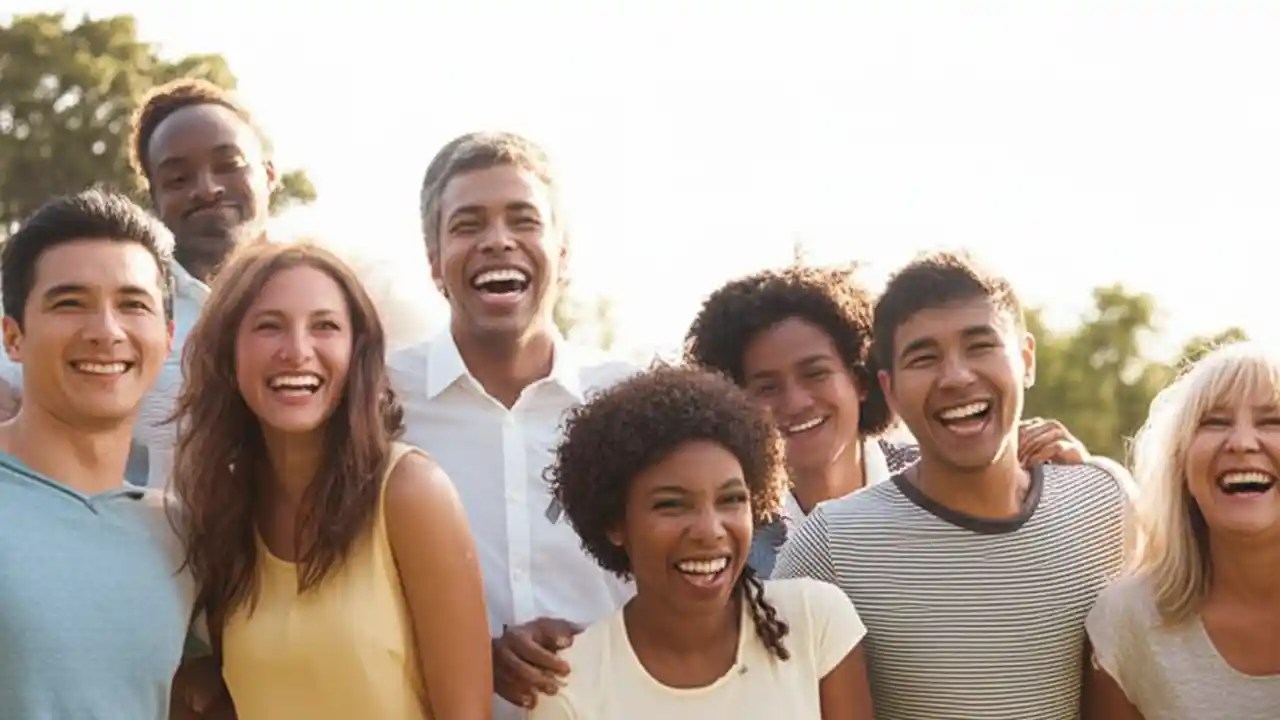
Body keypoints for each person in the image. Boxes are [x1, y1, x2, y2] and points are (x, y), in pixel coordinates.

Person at [775, 250, 1132, 720]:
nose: (957, 377)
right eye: (923, 357)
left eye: (980, 345)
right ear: (891, 389)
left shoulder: (1103, 506)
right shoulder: (832, 543)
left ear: (1026, 359)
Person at [171, 242, 491, 719]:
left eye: (325, 327)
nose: (297, 351)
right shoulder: (224, 505)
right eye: (268, 326)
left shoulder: (409, 492)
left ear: (357, 353)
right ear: (229, 354)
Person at [389, 131, 636, 717]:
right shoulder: (379, 401)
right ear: (434, 263)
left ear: (564, 254)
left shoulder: (629, 399)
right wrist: (470, 655)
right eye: (468, 224)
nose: (498, 241)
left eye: (523, 220)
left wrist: (604, 650)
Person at [684, 264, 1089, 576]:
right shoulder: (731, 535)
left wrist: (1069, 483)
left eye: (816, 373)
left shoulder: (951, 473)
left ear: (861, 380)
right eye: (766, 388)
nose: (796, 401)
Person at [534, 365, 873, 719]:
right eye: (671, 505)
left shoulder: (815, 622)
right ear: (615, 523)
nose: (710, 530)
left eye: (731, 500)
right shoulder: (570, 687)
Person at [0, 78, 276, 488]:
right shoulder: (127, 314)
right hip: (149, 547)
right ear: (155, 197)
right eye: (178, 179)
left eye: (228, 164)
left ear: (269, 174)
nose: (207, 189)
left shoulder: (338, 302)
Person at [0, 189, 194, 719]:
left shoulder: (180, 535)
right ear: (12, 336)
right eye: (69, 303)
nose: (106, 332)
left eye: (133, 304)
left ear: (167, 335)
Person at [1084, 341, 1280, 718]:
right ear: (1181, 465)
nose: (1241, 443)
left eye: (1273, 421)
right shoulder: (1128, 621)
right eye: (1214, 422)